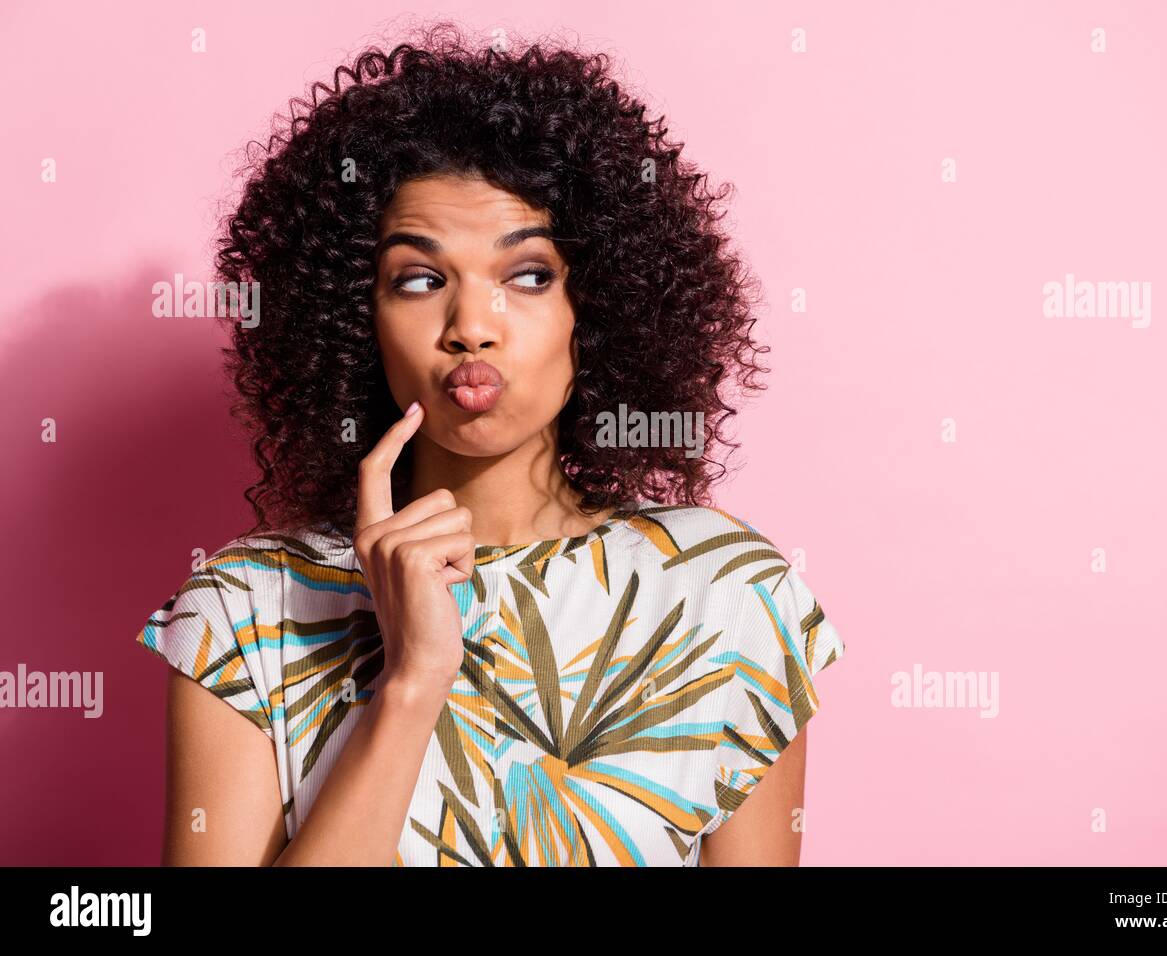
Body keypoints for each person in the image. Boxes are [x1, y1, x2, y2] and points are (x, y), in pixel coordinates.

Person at [134, 21, 845, 867]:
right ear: (356, 320)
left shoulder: (726, 595)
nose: (472, 327)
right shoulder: (247, 610)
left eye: (529, 276)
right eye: (421, 280)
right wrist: (410, 683)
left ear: (600, 309)